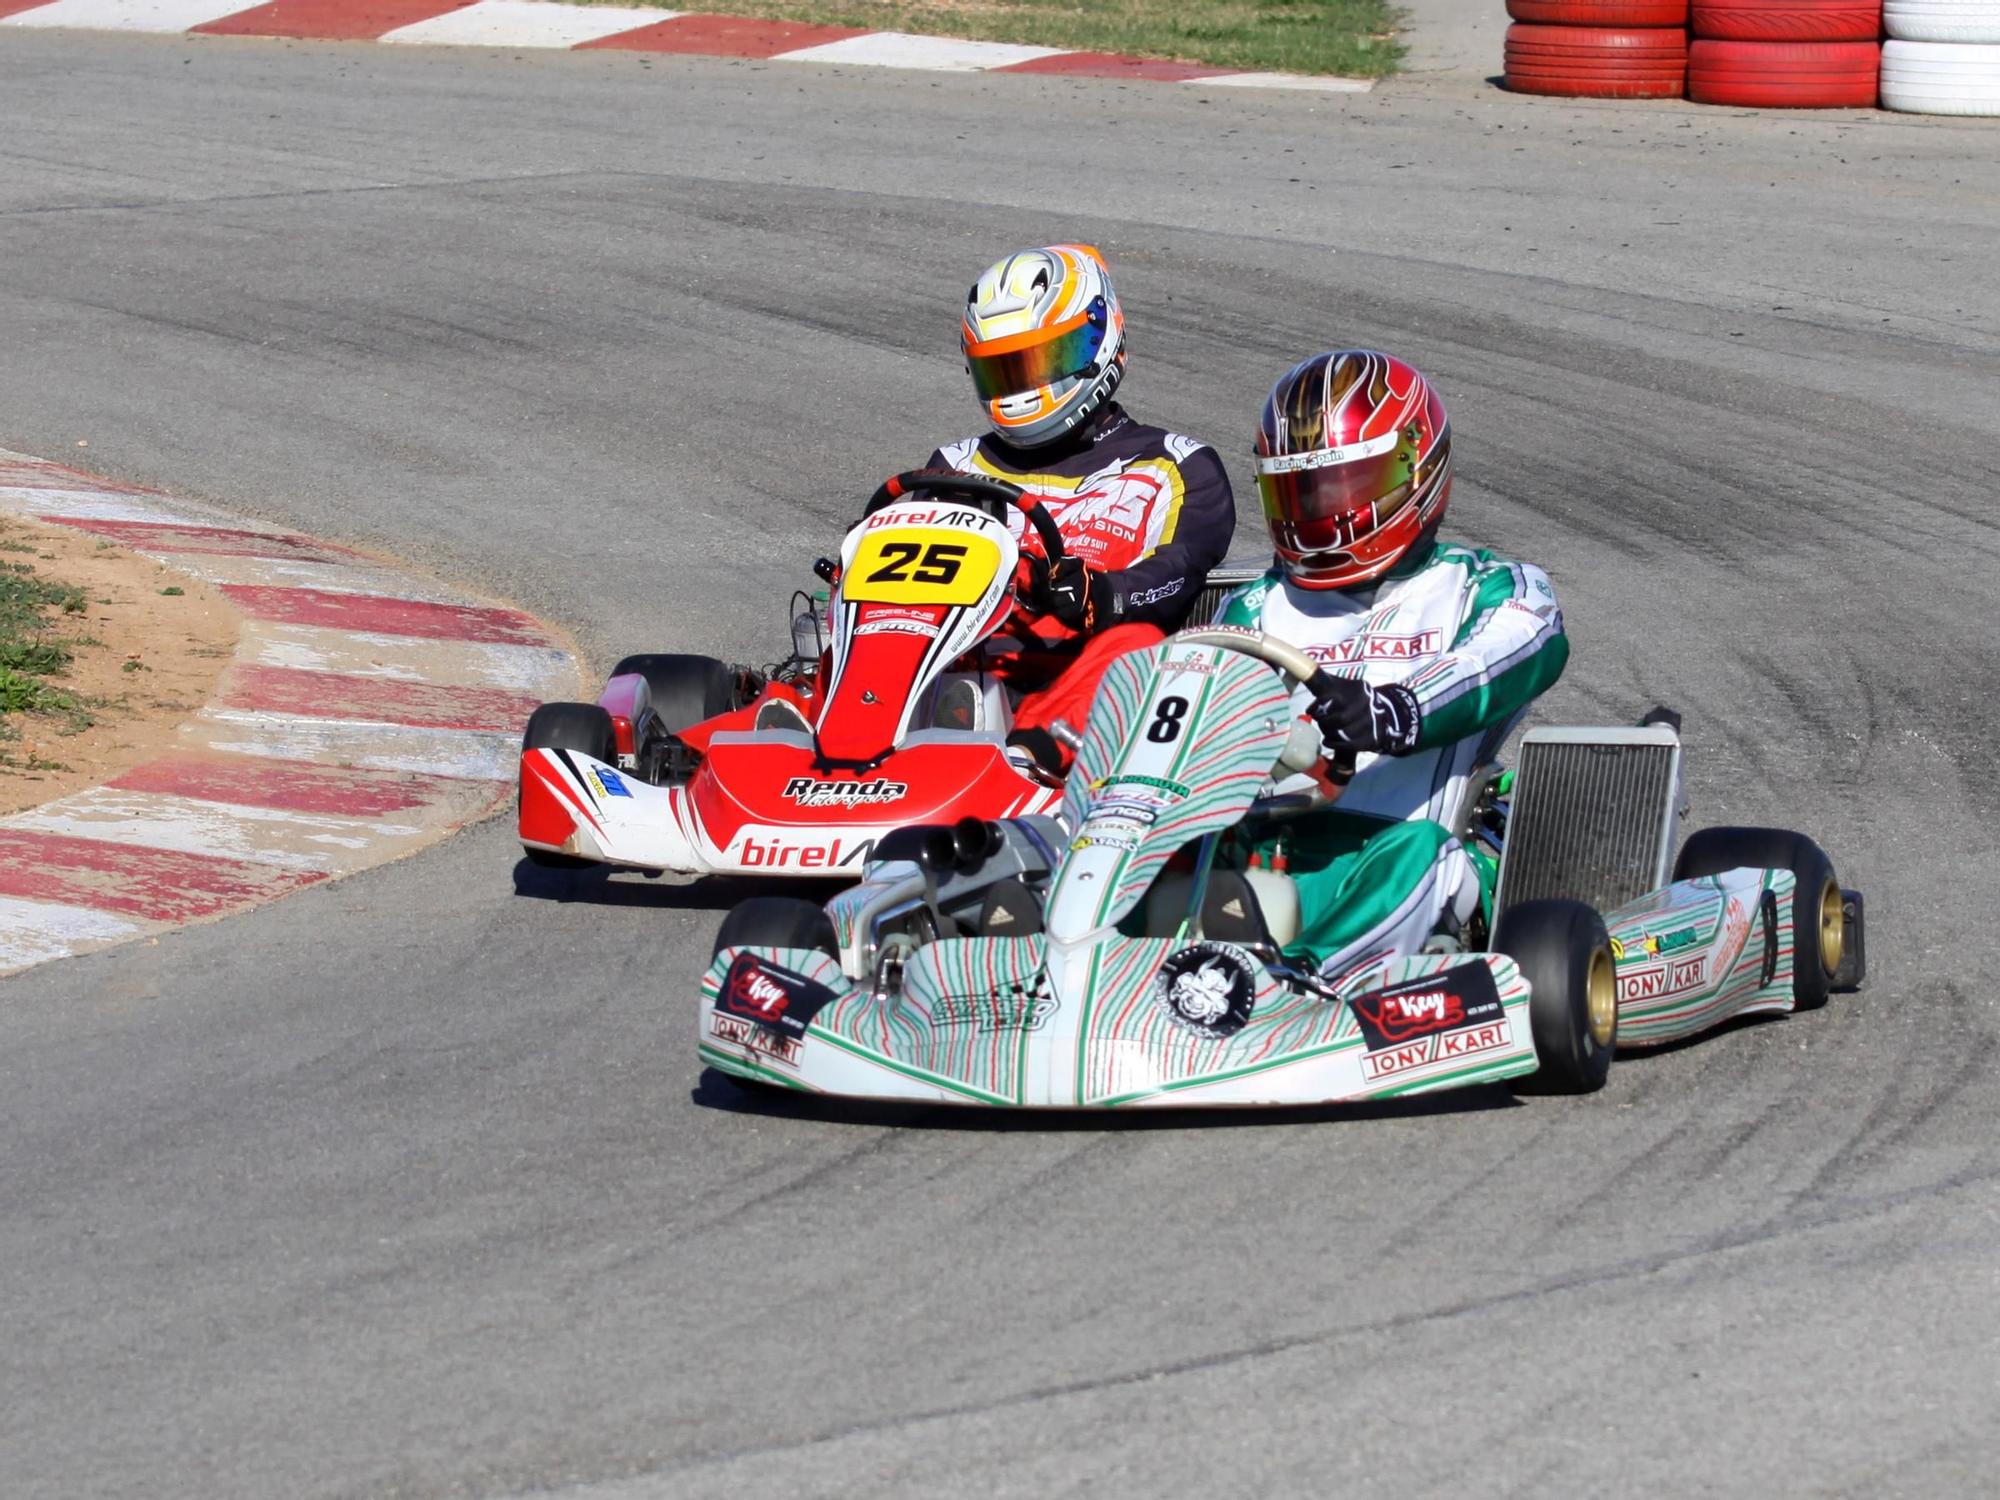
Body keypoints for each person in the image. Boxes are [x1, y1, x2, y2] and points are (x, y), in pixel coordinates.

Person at [1215, 349, 1569, 975]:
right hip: (1268, 860)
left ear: (1415, 468)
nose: (1318, 515)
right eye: (1299, 491)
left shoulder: (1486, 587)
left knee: (1420, 853)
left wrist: (1398, 709)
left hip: (1408, 852)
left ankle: (1300, 986)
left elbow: (1511, 653)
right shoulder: (1255, 605)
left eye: (1340, 487)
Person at [923, 243, 1235, 775]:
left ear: (1097, 342)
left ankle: (1025, 759)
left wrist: (1102, 593)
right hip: (967, 668)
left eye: (1038, 361)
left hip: (1088, 677)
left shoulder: (1176, 465)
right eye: (1004, 371)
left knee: (1136, 645)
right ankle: (808, 735)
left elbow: (1179, 572)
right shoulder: (954, 466)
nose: (1022, 386)